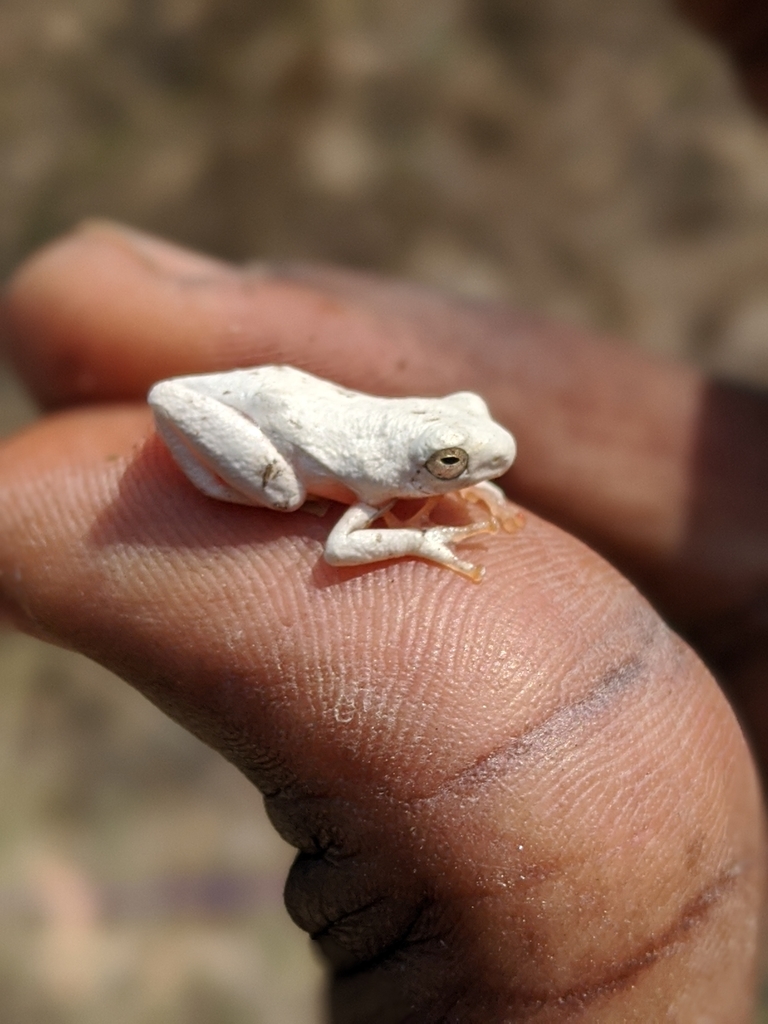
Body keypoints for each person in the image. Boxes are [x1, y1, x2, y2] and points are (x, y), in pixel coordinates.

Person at [1, 8, 767, 1021]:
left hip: (277, 394)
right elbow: (341, 544)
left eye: (463, 447)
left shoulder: (422, 443)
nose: (475, 463)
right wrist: (425, 535)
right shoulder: (375, 486)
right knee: (287, 494)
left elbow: (457, 450)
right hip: (259, 422)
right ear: (419, 462)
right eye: (451, 461)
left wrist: (457, 479)